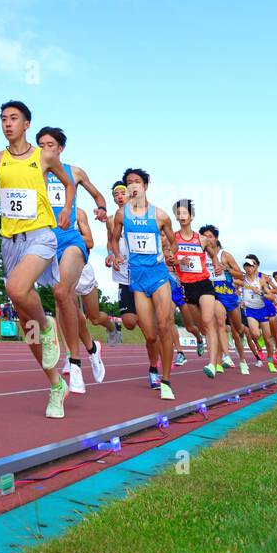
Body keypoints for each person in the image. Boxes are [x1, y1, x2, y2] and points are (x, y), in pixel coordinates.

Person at [0, 100, 74, 418]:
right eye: (3, 119)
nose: (7, 123)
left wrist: (67, 209)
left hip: (40, 236)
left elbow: (68, 183)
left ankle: (48, 324)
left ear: (27, 124)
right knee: (25, 325)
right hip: (9, 243)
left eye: (14, 118)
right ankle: (55, 385)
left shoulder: (43, 156)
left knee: (17, 290)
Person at [35, 128, 108, 393]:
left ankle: (74, 363)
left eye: (51, 144)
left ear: (61, 148)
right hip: (44, 242)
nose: (46, 149)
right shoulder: (34, 169)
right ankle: (92, 348)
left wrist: (100, 208)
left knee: (62, 292)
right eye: (41, 144)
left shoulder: (74, 172)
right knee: (63, 301)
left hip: (70, 240)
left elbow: (98, 195)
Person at [109, 168, 177, 400]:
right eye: (129, 183)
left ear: (146, 186)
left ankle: (166, 380)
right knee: (149, 334)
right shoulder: (121, 215)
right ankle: (153, 366)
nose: (133, 186)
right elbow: (113, 239)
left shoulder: (160, 216)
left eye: (137, 182)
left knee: (165, 325)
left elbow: (173, 243)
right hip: (136, 278)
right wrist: (116, 255)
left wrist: (170, 254)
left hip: (158, 276)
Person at [171, 200, 223, 380]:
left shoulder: (201, 239)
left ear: (191, 216)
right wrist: (178, 262)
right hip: (186, 287)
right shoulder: (173, 238)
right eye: (178, 213)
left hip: (203, 283)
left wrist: (217, 265)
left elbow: (213, 254)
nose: (181, 216)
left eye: (184, 212)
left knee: (208, 320)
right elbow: (168, 260)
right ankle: (209, 346)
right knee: (200, 325)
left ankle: (212, 364)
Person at [62, 208, 108, 383]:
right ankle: (71, 356)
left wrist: (65, 236)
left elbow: (89, 242)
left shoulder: (78, 213)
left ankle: (97, 342)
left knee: (93, 318)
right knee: (66, 308)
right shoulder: (44, 208)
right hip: (59, 267)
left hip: (82, 268)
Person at [199, 225, 250, 374]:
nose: (207, 239)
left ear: (216, 239)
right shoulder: (200, 254)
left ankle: (242, 359)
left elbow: (241, 275)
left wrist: (226, 269)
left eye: (210, 236)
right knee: (219, 322)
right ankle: (226, 357)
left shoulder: (225, 255)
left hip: (229, 294)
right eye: (204, 236)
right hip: (212, 292)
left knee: (237, 329)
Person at [240, 256, 277, 372]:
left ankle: (270, 362)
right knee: (255, 334)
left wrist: (261, 293)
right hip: (250, 311)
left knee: (268, 339)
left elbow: (271, 296)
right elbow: (234, 283)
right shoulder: (242, 279)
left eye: (250, 266)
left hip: (262, 310)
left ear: (255, 267)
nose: (247, 268)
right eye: (245, 266)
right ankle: (260, 339)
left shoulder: (261, 280)